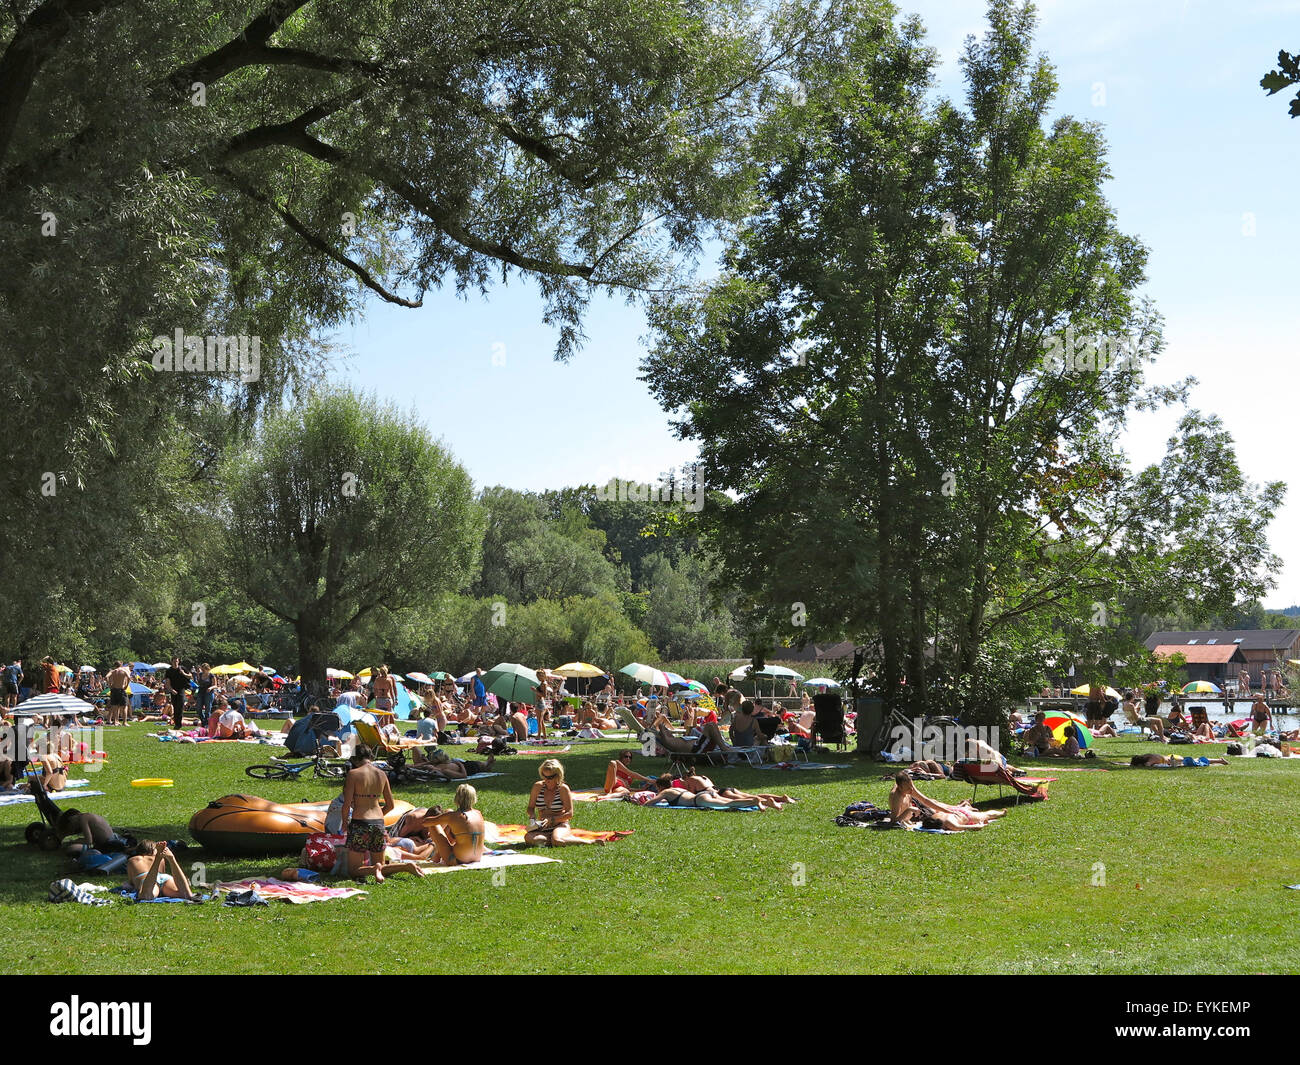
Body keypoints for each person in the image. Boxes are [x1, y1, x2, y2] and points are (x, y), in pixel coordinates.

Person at [340, 745, 426, 881]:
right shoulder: (382, 774)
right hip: (379, 823)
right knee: (380, 864)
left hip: (360, 823)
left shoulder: (353, 774)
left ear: (355, 759)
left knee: (353, 870)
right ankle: (405, 867)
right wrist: (378, 815)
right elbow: (390, 805)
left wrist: (345, 824)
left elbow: (346, 805)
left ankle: (374, 869)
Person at [888, 770, 1007, 831]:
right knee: (981, 815)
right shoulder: (896, 796)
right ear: (899, 786)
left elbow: (925, 800)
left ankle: (962, 807)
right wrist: (909, 809)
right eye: (908, 788)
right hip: (915, 816)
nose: (911, 790)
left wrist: (947, 810)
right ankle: (963, 807)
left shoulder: (909, 788)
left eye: (912, 786)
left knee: (935, 803)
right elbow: (893, 821)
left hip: (928, 815)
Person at [525, 760, 601, 846]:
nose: (547, 780)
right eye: (544, 776)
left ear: (558, 775)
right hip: (542, 826)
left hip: (560, 824)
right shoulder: (537, 786)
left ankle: (590, 842)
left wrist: (552, 820)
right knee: (529, 838)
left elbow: (569, 814)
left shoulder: (563, 789)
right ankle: (556, 839)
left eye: (550, 777)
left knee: (557, 840)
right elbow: (530, 807)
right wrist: (532, 816)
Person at [423, 784, 486, 865]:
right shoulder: (478, 813)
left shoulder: (452, 816)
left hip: (456, 860)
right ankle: (436, 855)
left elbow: (425, 822)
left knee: (432, 825)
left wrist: (444, 817)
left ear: (457, 798)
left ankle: (436, 857)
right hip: (477, 858)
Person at [125, 841, 199, 900]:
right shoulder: (162, 860)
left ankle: (158, 859)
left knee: (146, 896)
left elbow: (131, 881)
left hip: (146, 878)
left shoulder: (133, 860)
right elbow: (161, 874)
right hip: (164, 877)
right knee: (186, 895)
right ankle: (172, 859)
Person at [165, 656, 191, 730]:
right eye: (174, 661)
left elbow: (190, 676)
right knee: (175, 707)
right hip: (173, 690)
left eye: (177, 661)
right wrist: (171, 690)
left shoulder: (182, 668)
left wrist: (184, 673)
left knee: (180, 706)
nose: (175, 662)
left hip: (181, 689)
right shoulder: (169, 671)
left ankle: (178, 724)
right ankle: (177, 724)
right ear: (171, 662)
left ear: (178, 661)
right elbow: (167, 682)